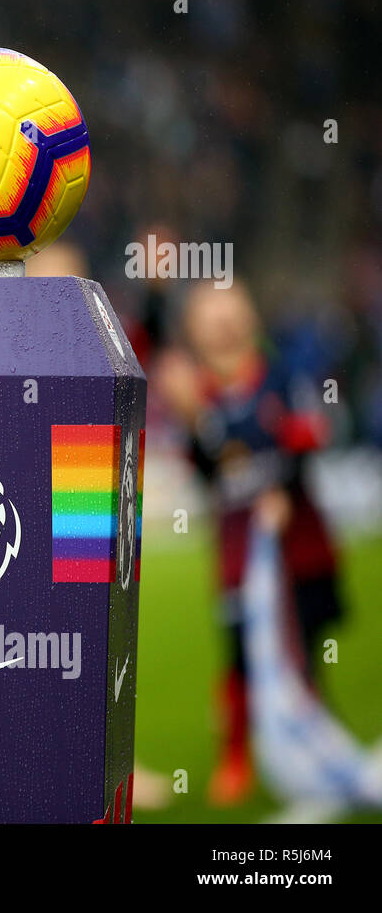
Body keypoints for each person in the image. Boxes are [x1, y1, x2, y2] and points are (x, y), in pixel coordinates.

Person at [156, 282, 342, 806]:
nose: (222, 325)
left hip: (300, 548)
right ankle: (237, 754)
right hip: (239, 554)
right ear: (195, 330)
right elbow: (209, 472)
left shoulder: (281, 379)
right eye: (209, 317)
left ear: (249, 318)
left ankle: (313, 740)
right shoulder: (198, 396)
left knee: (305, 649)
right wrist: (195, 423)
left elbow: (306, 438)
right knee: (239, 655)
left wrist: (283, 490)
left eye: (230, 313)